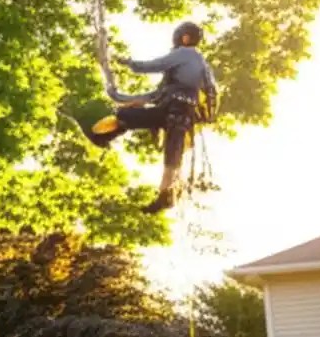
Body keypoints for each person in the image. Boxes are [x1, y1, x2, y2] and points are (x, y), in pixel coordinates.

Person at [82, 21, 218, 214]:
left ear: (185, 38)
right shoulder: (199, 65)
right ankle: (165, 196)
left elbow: (156, 65)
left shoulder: (186, 54)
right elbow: (157, 94)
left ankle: (102, 137)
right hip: (178, 114)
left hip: (175, 111)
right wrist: (128, 99)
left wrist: (128, 63)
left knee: (131, 121)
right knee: (171, 158)